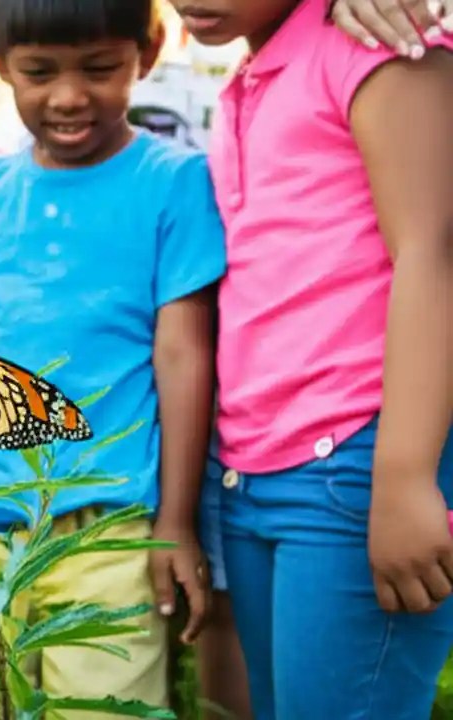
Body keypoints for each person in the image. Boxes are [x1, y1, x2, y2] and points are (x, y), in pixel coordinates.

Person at [0, 0, 226, 715]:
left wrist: (176, 522)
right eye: (39, 72)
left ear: (146, 53)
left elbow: (183, 356)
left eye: (99, 68)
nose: (68, 96)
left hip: (108, 528)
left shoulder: (175, 181)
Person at [171, 0, 453, 717]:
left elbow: (436, 252)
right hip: (258, 470)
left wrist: (406, 477)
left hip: (359, 462)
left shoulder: (376, 38)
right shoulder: (256, 69)